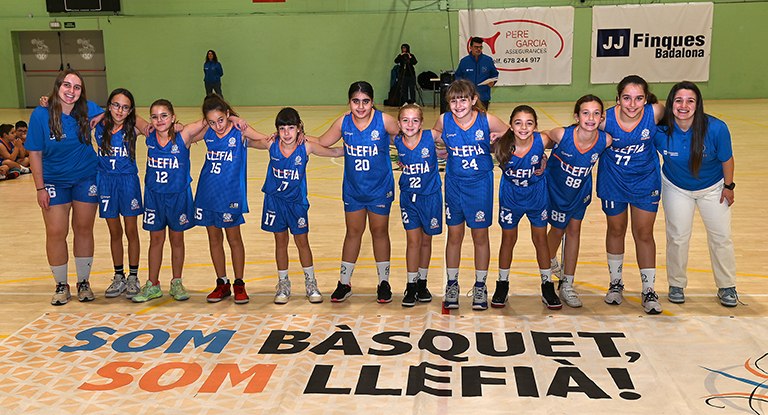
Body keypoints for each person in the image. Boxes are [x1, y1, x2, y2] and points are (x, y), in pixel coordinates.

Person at [311, 81, 400, 303]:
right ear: (349, 102)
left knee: (380, 232)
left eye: (365, 102)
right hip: (354, 189)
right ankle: (344, 282)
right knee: (353, 232)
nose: (360, 107)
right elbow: (322, 142)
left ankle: (384, 282)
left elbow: (408, 137)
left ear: (373, 102)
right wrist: (296, 137)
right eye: (355, 101)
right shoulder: (343, 122)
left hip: (379, 188)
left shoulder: (384, 121)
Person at [655, 81, 738, 307]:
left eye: (690, 100)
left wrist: (729, 187)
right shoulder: (660, 130)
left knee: (721, 236)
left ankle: (727, 286)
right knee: (678, 237)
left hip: (713, 188)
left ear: (698, 104)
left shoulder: (716, 128)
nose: (684, 105)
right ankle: (676, 284)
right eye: (678, 100)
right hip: (675, 187)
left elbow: (726, 159)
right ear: (671, 103)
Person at [26, 69, 104, 305]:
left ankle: (83, 282)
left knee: (83, 229)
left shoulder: (88, 108)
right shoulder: (41, 115)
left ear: (82, 92)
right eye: (67, 86)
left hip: (85, 177)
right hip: (53, 181)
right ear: (57, 86)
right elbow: (35, 153)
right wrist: (40, 188)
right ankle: (61, 284)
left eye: (77, 87)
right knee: (56, 232)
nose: (71, 91)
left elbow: (117, 111)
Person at [250, 107, 343, 304]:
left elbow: (333, 151)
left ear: (299, 128)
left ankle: (311, 283)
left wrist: (355, 148)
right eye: (282, 128)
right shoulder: (271, 144)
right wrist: (236, 122)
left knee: (302, 243)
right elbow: (248, 140)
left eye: (291, 128)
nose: (286, 133)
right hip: (274, 202)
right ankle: (283, 284)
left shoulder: (306, 146)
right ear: (277, 130)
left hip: (296, 203)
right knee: (280, 242)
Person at [432, 79, 509, 310]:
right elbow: (430, 136)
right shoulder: (445, 121)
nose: (458, 105)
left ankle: (480, 285)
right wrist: (438, 148)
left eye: (463, 99)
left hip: (479, 185)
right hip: (455, 184)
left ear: (474, 100)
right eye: (453, 100)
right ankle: (452, 284)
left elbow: (511, 135)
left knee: (480, 237)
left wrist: (497, 144)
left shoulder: (487, 120)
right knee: (454, 236)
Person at [597, 74, 664, 315]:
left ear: (646, 100)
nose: (632, 104)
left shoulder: (655, 113)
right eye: (627, 98)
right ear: (618, 99)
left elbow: (683, 121)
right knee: (616, 229)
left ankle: (649, 289)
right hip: (613, 182)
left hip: (645, 182)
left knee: (644, 233)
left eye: (638, 98)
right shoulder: (604, 119)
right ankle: (615, 283)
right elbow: (577, 136)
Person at [132, 99, 208, 303]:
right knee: (155, 240)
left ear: (173, 117)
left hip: (178, 196)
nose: (159, 120)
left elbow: (207, 121)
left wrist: (232, 118)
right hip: (154, 196)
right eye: (154, 116)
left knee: (177, 240)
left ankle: (176, 282)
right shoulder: (149, 135)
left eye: (164, 115)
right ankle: (153, 284)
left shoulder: (183, 136)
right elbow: (132, 117)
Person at [196, 95, 268, 305]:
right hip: (207, 192)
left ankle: (239, 283)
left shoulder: (240, 131)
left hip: (230, 195)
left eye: (221, 119)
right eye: (211, 121)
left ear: (228, 114)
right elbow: (185, 134)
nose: (217, 125)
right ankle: (222, 282)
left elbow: (263, 140)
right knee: (214, 239)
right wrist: (204, 123)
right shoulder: (207, 132)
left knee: (234, 239)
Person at [545, 95, 612, 308]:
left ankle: (567, 283)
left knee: (574, 231)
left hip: (579, 192)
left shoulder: (605, 140)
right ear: (576, 116)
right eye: (585, 113)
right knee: (557, 230)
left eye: (596, 113)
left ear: (601, 117)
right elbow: (542, 138)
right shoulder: (562, 134)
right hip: (556, 191)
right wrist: (541, 157)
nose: (590, 118)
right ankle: (548, 264)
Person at [489, 105, 558, 309]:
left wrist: (545, 159)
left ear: (536, 127)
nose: (523, 127)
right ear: (510, 125)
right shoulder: (500, 144)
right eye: (518, 123)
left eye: (529, 123)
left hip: (536, 196)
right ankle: (502, 284)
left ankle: (547, 284)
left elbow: (563, 141)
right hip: (511, 197)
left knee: (540, 240)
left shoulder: (542, 141)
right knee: (508, 240)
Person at [95, 88, 146, 299]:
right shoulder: (99, 124)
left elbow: (149, 126)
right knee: (114, 232)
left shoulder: (132, 127)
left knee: (131, 231)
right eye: (116, 105)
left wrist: (133, 116)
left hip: (128, 182)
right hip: (106, 182)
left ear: (130, 110)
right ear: (108, 105)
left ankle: (133, 276)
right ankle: (119, 276)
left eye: (125, 107)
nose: (119, 110)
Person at [394, 104, 442, 307]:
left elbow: (453, 139)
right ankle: (411, 284)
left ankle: (423, 282)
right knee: (412, 241)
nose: (410, 124)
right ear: (399, 123)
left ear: (422, 123)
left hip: (430, 197)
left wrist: (445, 153)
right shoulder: (396, 140)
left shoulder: (431, 137)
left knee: (425, 241)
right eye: (405, 120)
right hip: (409, 198)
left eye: (415, 120)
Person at [455, 37, 499, 110]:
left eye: (480, 47)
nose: (478, 49)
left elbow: (494, 74)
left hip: (483, 96)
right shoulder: (464, 61)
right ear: (471, 47)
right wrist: (461, 87)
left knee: (482, 118)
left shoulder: (488, 60)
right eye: (476, 47)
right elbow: (458, 76)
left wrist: (493, 82)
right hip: (467, 97)